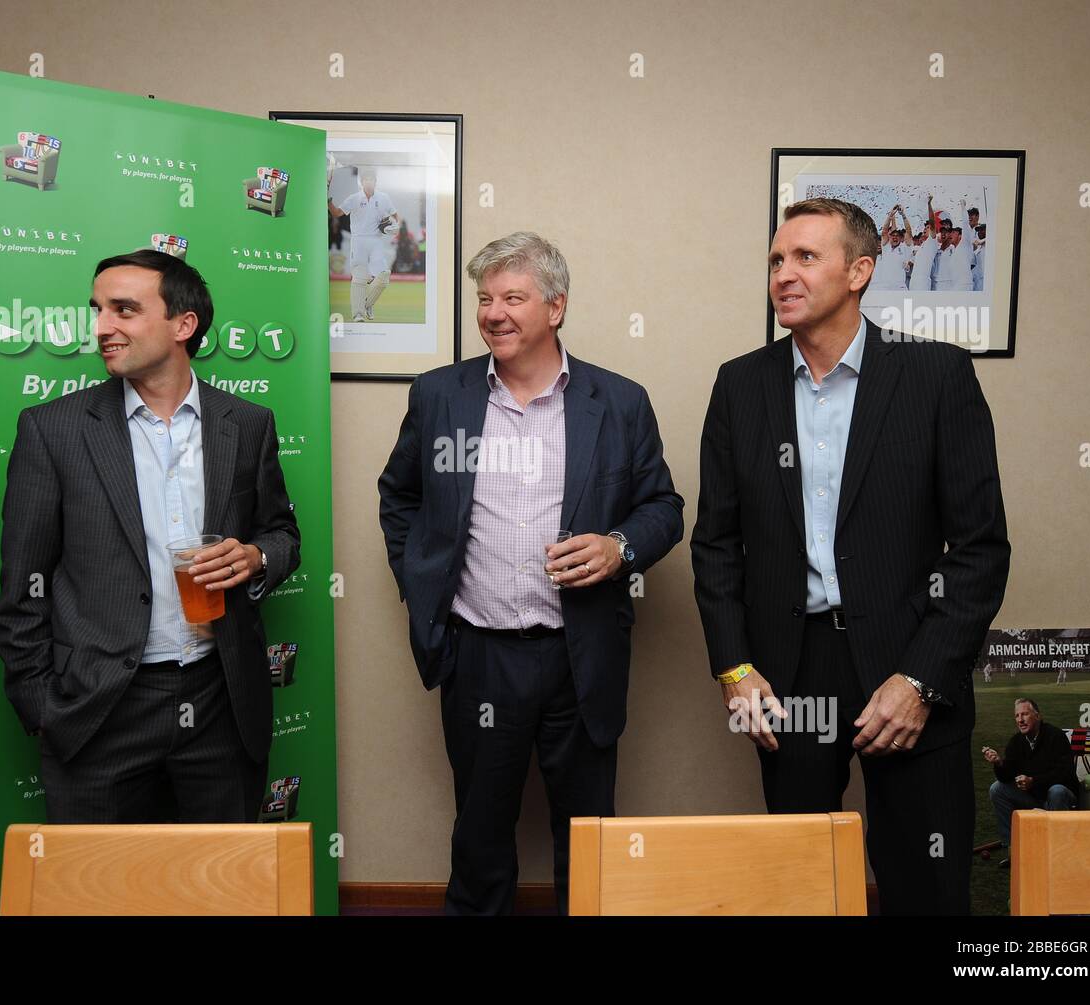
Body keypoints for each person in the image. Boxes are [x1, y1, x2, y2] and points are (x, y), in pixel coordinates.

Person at [692, 197, 1010, 915]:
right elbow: (715, 546)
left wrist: (923, 679)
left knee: (927, 885)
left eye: (805, 256)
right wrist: (735, 669)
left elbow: (981, 549)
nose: (783, 273)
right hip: (788, 670)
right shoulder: (740, 385)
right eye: (776, 259)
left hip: (910, 660)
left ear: (860, 270)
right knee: (802, 884)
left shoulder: (936, 377)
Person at [379, 231, 684, 915]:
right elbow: (399, 495)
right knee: (481, 841)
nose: (493, 312)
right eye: (484, 298)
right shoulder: (439, 397)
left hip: (582, 656)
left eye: (512, 296)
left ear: (556, 306)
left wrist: (618, 548)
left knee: (589, 841)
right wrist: (420, 578)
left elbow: (664, 507)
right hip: (479, 654)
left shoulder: (620, 402)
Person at [0, 249, 300, 823]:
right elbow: (20, 591)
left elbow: (282, 532)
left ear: (183, 325)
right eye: (98, 309)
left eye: (124, 309)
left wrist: (257, 556)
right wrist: (43, 707)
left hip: (219, 702)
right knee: (96, 897)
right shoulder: (53, 431)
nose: (102, 327)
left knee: (219, 892)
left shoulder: (247, 423)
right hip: (99, 709)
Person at [983, 698, 1077, 866]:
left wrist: (1034, 781)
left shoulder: (1055, 736)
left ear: (1038, 716)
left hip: (1060, 796)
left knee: (1056, 790)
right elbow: (1006, 777)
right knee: (997, 789)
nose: (1020, 719)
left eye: (1025, 714)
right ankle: (1013, 850)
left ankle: (1055, 852)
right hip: (1034, 798)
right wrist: (998, 763)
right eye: (1017, 716)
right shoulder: (1016, 741)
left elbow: (1066, 772)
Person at [328, 167, 398, 322]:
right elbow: (337, 213)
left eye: (371, 179)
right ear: (362, 182)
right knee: (359, 278)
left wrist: (394, 225)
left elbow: (394, 215)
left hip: (376, 241)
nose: (368, 182)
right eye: (365, 179)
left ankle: (367, 304)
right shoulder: (354, 198)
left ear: (375, 182)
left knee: (384, 275)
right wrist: (328, 202)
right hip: (359, 240)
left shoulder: (384, 198)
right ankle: (358, 315)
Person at [869, 205, 911, 292]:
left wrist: (903, 215)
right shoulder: (886, 247)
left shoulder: (904, 247)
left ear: (900, 237)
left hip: (900, 288)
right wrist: (890, 215)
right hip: (885, 288)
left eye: (897, 235)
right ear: (889, 237)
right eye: (893, 235)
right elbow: (884, 231)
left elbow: (909, 231)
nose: (895, 237)